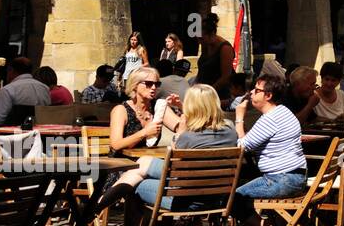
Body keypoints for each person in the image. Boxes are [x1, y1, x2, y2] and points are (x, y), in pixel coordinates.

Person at [95, 85, 239, 210]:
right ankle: (100, 208)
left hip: (185, 200)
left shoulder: (188, 137)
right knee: (143, 163)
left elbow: (173, 169)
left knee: (134, 184)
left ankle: (99, 209)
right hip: (218, 198)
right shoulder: (230, 128)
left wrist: (180, 134)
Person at [233, 74, 308, 201]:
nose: (251, 92)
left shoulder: (270, 119)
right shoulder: (283, 111)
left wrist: (239, 118)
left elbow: (242, 147)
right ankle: (266, 221)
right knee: (240, 186)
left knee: (233, 198)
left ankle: (262, 222)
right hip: (295, 177)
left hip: (281, 180)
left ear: (268, 95)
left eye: (257, 90)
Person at [0, 56, 52, 124]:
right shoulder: (45, 88)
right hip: (42, 131)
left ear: (11, 70)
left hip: (14, 133)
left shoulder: (8, 90)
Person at [194, 13, 236, 100]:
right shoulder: (206, 45)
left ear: (212, 33)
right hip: (204, 91)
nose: (199, 42)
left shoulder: (225, 48)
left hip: (220, 94)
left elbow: (226, 77)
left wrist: (208, 92)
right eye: (197, 38)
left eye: (201, 38)